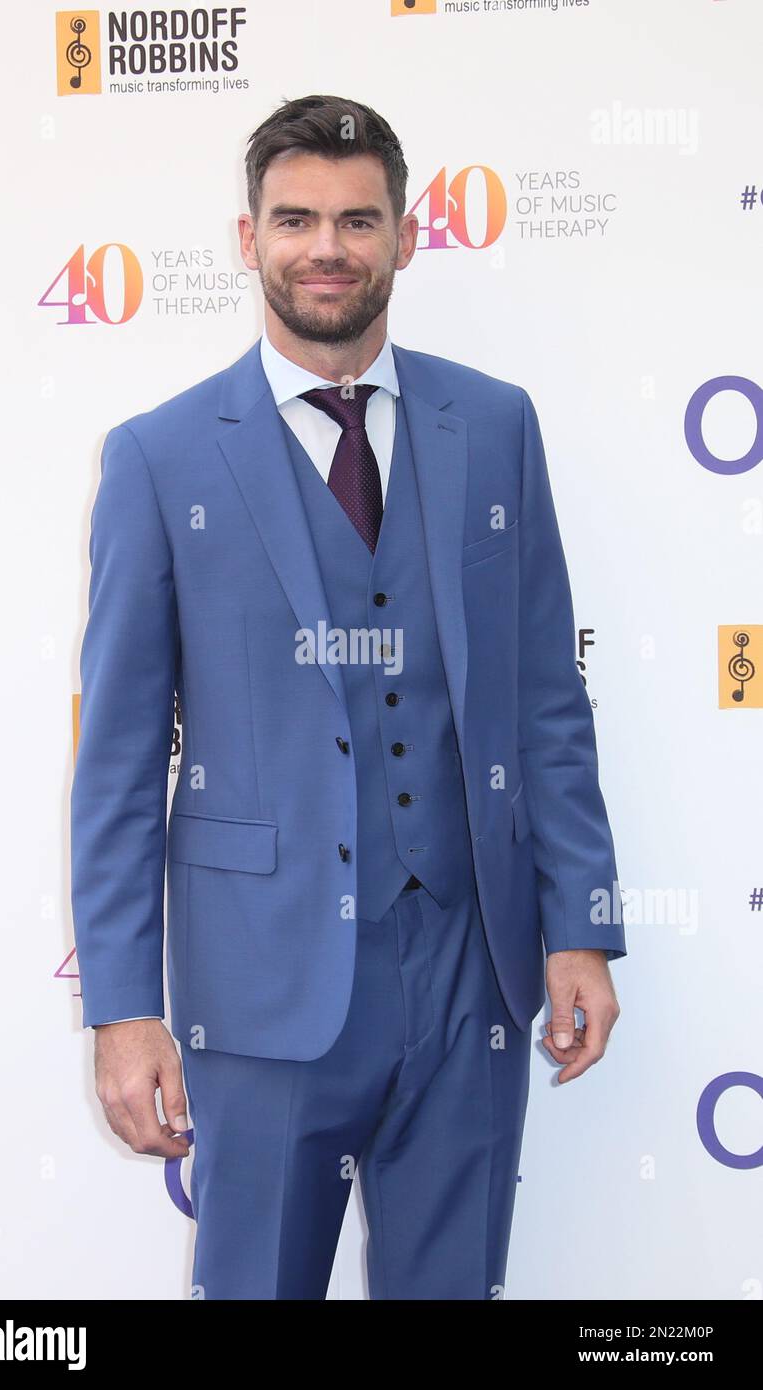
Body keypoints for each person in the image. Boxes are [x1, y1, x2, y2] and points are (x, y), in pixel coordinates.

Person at [70, 93, 626, 1301]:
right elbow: (116, 761)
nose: (327, 247)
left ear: (406, 237)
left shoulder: (493, 424)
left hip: (470, 972)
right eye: (297, 219)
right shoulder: (159, 458)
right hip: (262, 994)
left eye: (357, 219)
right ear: (247, 237)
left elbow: (545, 695)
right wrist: (121, 1009)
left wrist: (578, 921)